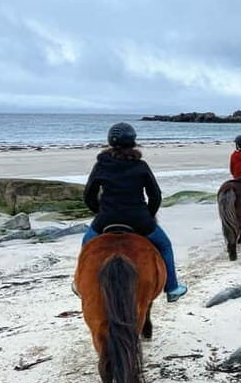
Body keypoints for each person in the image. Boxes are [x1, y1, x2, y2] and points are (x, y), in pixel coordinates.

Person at [80, 122, 188, 302]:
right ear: (132, 142)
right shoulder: (141, 166)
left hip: (106, 219)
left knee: (86, 244)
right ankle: (172, 288)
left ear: (110, 141)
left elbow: (88, 195)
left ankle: (79, 284)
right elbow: (155, 196)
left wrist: (100, 212)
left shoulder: (101, 165)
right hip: (139, 220)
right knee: (165, 246)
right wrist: (149, 216)